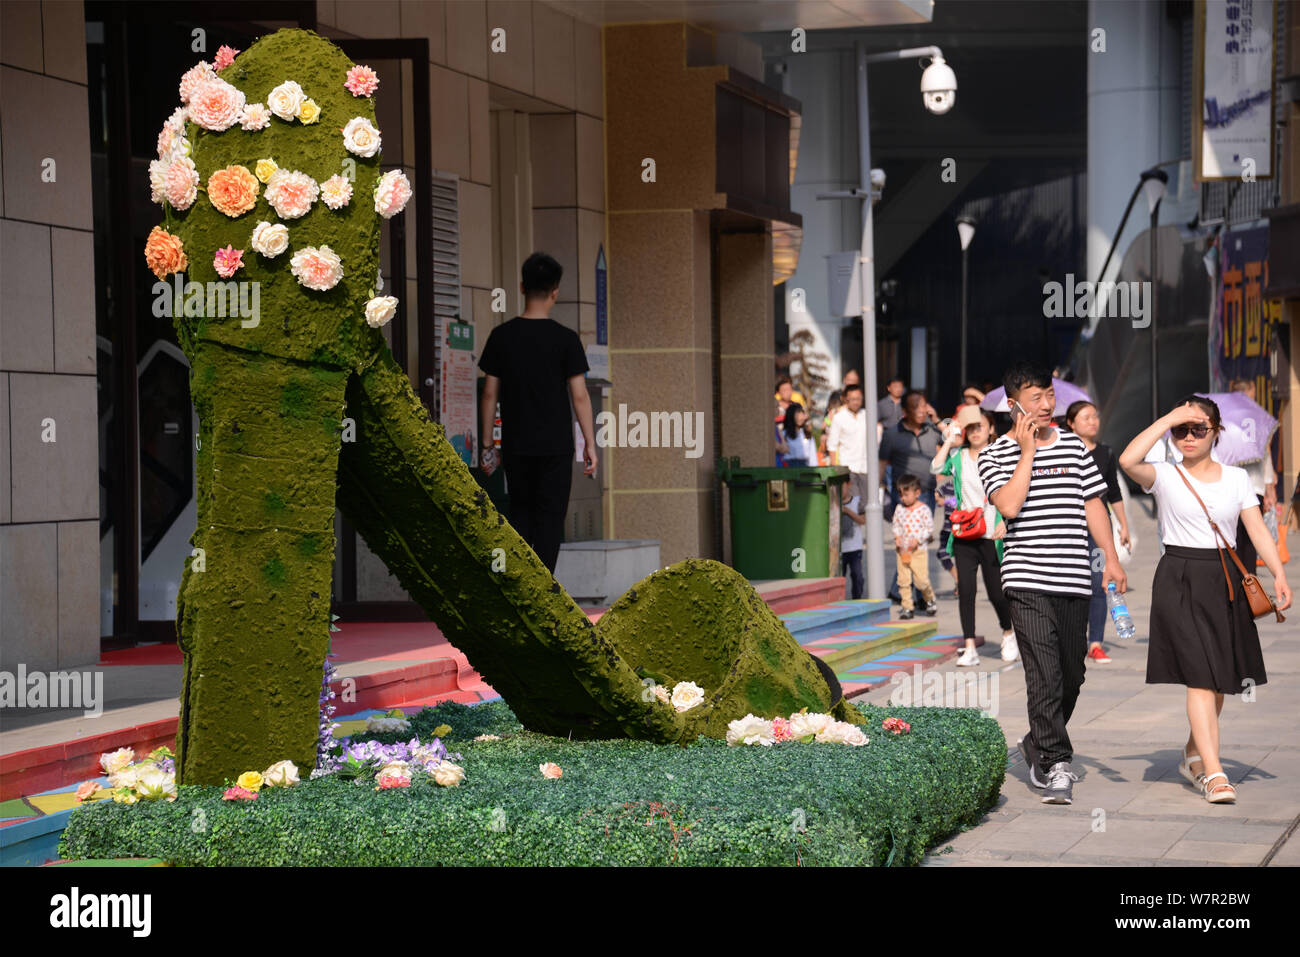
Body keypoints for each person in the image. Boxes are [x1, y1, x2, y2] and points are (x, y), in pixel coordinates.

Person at [1119, 395, 1291, 804]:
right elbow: (1127, 461)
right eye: (1182, 430)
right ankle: (1214, 773)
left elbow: (1257, 530)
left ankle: (1194, 753)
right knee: (1199, 675)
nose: (1189, 436)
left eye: (1199, 428)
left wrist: (1280, 574)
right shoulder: (1163, 474)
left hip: (1225, 579)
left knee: (1218, 680)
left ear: (1217, 431)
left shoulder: (1236, 479)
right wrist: (1168, 418)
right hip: (1179, 577)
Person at [978, 360, 1126, 805]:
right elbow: (1008, 505)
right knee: (1043, 673)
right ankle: (1054, 762)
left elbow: (1093, 504)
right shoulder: (993, 454)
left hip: (1075, 577)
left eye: (1049, 395)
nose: (1045, 405)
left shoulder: (1075, 448)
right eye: (1035, 398)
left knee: (1071, 675)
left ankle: (1035, 741)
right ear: (1012, 405)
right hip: (1026, 579)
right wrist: (1027, 452)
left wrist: (1112, 560)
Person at [478, 252, 596, 573]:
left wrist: (488, 444)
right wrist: (590, 444)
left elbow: (490, 393)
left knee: (521, 512)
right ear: (555, 292)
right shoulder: (566, 340)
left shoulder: (502, 337)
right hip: (556, 447)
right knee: (550, 518)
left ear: (521, 287)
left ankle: (518, 579)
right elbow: (580, 397)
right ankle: (542, 585)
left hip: (517, 445)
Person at [932, 404, 1017, 665]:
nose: (975, 432)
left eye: (980, 426)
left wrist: (1007, 521)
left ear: (991, 429)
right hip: (964, 534)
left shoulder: (999, 455)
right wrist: (948, 440)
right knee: (966, 591)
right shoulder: (957, 457)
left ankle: (1008, 632)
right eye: (971, 428)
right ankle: (969, 647)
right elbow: (935, 468)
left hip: (992, 533)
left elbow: (1013, 490)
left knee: (996, 593)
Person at [1064, 400, 1132, 665]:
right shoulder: (1063, 451)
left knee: (1100, 583)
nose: (1093, 421)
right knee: (1070, 587)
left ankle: (1095, 643)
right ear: (1071, 423)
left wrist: (1123, 524)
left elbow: (1113, 491)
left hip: (1096, 533)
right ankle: (1073, 640)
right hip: (1069, 531)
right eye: (1085, 417)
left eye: (1095, 416)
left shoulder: (1105, 452)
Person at [891, 473, 937, 619]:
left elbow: (929, 528)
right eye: (900, 495)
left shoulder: (923, 509)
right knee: (903, 580)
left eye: (906, 495)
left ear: (917, 493)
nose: (902, 498)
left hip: (918, 551)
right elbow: (896, 525)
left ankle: (929, 599)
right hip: (902, 550)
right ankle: (907, 607)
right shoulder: (899, 509)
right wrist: (897, 537)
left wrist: (918, 540)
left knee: (921, 580)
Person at [826, 383, 868, 481]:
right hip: (847, 468)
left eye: (858, 399)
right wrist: (835, 470)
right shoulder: (839, 418)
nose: (856, 402)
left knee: (868, 496)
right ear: (845, 400)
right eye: (853, 399)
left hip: (866, 468)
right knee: (852, 497)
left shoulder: (867, 415)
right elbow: (832, 445)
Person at [840, 476, 865, 599]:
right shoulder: (833, 503)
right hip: (840, 550)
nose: (839, 490)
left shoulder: (857, 501)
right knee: (840, 578)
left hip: (855, 548)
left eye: (842, 486)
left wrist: (847, 511)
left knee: (857, 575)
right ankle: (839, 600)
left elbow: (863, 520)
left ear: (848, 484)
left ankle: (857, 598)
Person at [779, 402, 815, 467]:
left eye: (802, 413)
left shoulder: (807, 434)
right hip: (788, 466)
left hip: (805, 466)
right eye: (798, 413)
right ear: (791, 415)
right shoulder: (784, 434)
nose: (801, 417)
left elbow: (813, 457)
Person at [817, 390, 842, 466]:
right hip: (829, 448)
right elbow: (823, 426)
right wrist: (830, 418)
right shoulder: (831, 414)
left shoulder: (843, 415)